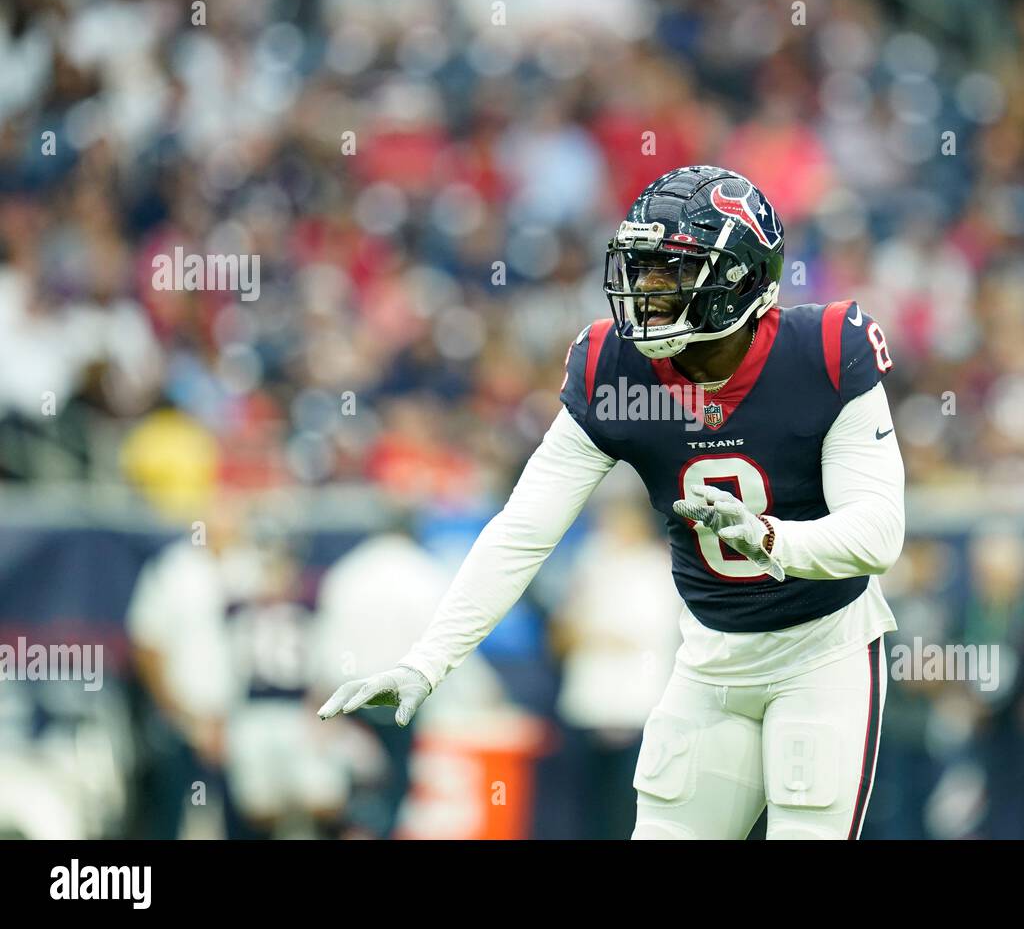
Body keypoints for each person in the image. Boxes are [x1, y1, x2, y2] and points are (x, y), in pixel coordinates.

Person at [319, 166, 906, 840]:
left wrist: (773, 540)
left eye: (671, 272)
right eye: (642, 268)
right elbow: (523, 530)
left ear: (741, 277)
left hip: (822, 653)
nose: (646, 292)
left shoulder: (825, 351)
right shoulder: (614, 369)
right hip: (710, 659)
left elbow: (878, 534)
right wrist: (429, 659)